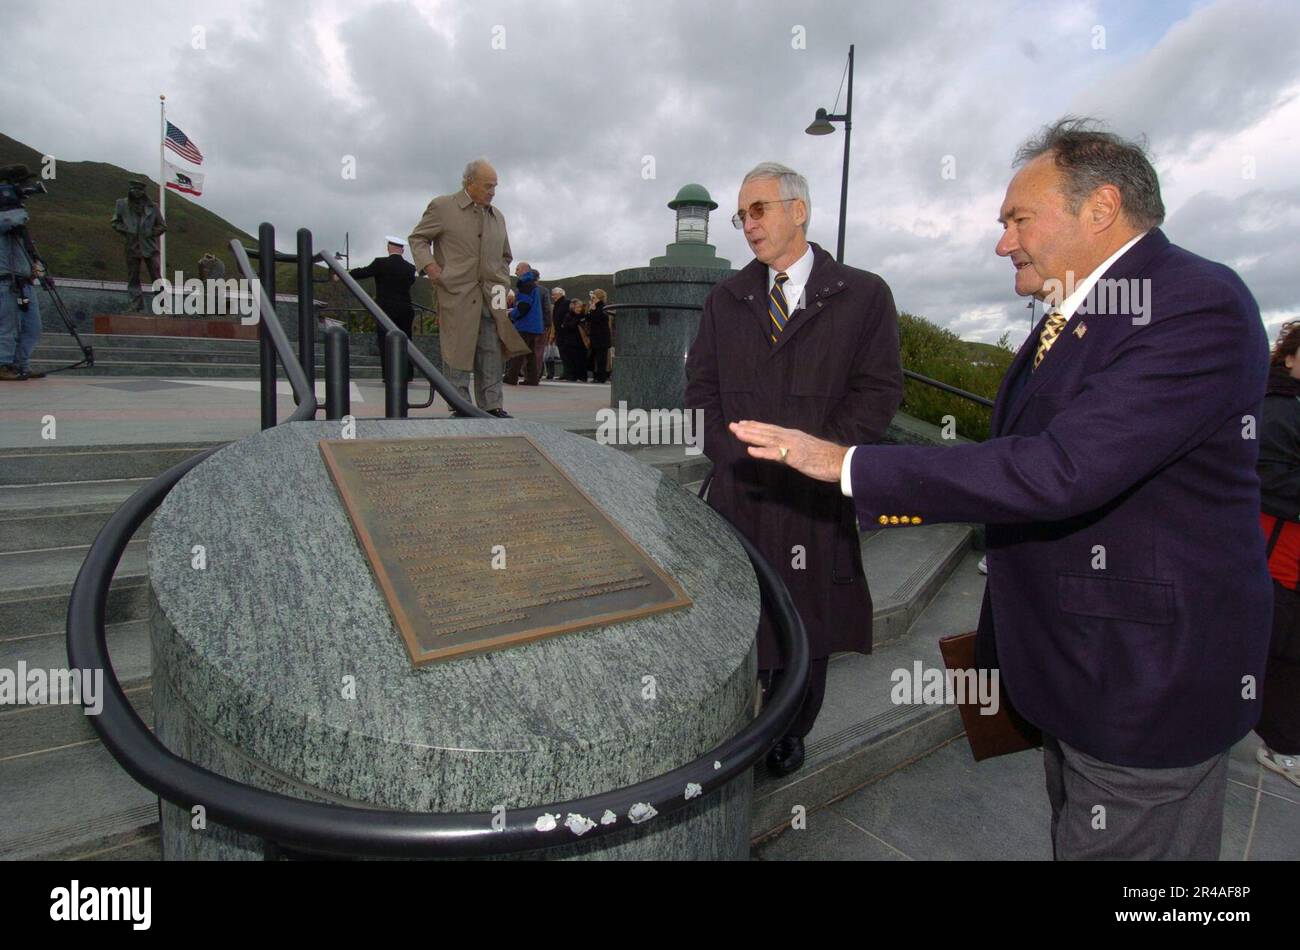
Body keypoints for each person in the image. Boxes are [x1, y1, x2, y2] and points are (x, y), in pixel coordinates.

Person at [730, 119, 1272, 859]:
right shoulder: (1068, 316)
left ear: (1101, 207)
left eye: (1019, 219)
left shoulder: (1192, 304)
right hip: (1076, 669)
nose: (1003, 242)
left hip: (1144, 682)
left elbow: (1058, 469)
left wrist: (846, 463)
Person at [684, 161, 904, 777]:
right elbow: (701, 392)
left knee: (810, 618)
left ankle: (790, 729)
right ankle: (744, 721)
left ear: (798, 210)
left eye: (759, 210)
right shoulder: (726, 299)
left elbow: (879, 391)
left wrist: (819, 456)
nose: (747, 225)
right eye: (741, 215)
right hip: (741, 493)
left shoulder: (863, 295)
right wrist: (738, 453)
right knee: (744, 616)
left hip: (815, 500)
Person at [408, 159, 530, 417]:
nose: (492, 191)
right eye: (488, 186)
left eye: (495, 186)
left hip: (492, 295)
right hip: (457, 292)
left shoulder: (498, 217)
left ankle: (493, 405)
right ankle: (460, 405)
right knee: (457, 349)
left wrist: (501, 279)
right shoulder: (442, 206)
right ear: (469, 182)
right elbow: (418, 238)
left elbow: (506, 256)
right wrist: (431, 268)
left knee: (492, 351)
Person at [1257, 322, 1300, 787]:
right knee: (1270, 652)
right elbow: (1270, 483)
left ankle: (1283, 744)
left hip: (1287, 561)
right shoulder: (1277, 410)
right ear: (1288, 357)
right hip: (1274, 557)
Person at [342, 236, 416, 385]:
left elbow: (363, 272)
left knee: (386, 341)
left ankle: (389, 374)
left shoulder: (380, 263)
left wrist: (344, 273)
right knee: (406, 341)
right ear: (402, 250)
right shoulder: (410, 268)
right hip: (405, 308)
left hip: (385, 310)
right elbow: (411, 282)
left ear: (389, 248)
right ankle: (407, 374)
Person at [0, 164, 45, 381]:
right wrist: (15, 205)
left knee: (33, 326)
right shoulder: (10, 214)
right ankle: (3, 364)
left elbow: (25, 241)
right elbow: (9, 221)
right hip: (5, 279)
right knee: (7, 326)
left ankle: (20, 364)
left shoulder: (17, 212)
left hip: (24, 279)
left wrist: (36, 263)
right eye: (22, 183)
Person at [111, 180, 166, 312]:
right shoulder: (121, 204)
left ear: (144, 192)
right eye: (134, 189)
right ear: (130, 190)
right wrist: (126, 230)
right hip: (132, 245)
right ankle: (136, 304)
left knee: (156, 276)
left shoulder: (153, 207)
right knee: (133, 277)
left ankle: (163, 303)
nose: (137, 192)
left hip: (149, 246)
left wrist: (151, 233)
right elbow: (115, 222)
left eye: (140, 190)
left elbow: (162, 226)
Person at [503, 262, 547, 385]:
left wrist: (512, 314)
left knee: (519, 351)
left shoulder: (524, 284)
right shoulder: (534, 285)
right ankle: (532, 379)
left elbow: (524, 306)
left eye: (517, 269)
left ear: (524, 270)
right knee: (530, 353)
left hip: (525, 324)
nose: (515, 272)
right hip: (535, 325)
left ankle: (511, 377)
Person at [586, 289, 612, 384]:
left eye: (594, 298)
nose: (592, 299)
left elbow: (598, 319)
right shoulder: (595, 307)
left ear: (599, 298)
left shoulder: (603, 307)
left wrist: (592, 311)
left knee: (601, 359)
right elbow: (588, 319)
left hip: (601, 338)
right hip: (596, 337)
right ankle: (596, 376)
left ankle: (601, 378)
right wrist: (590, 310)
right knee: (594, 357)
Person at [560, 299, 589, 381]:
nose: (579, 309)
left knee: (581, 360)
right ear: (573, 307)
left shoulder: (583, 316)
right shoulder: (568, 316)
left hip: (581, 342)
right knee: (572, 360)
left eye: (580, 307)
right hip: (571, 342)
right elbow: (569, 326)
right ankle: (572, 376)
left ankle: (582, 376)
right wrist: (577, 318)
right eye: (577, 307)